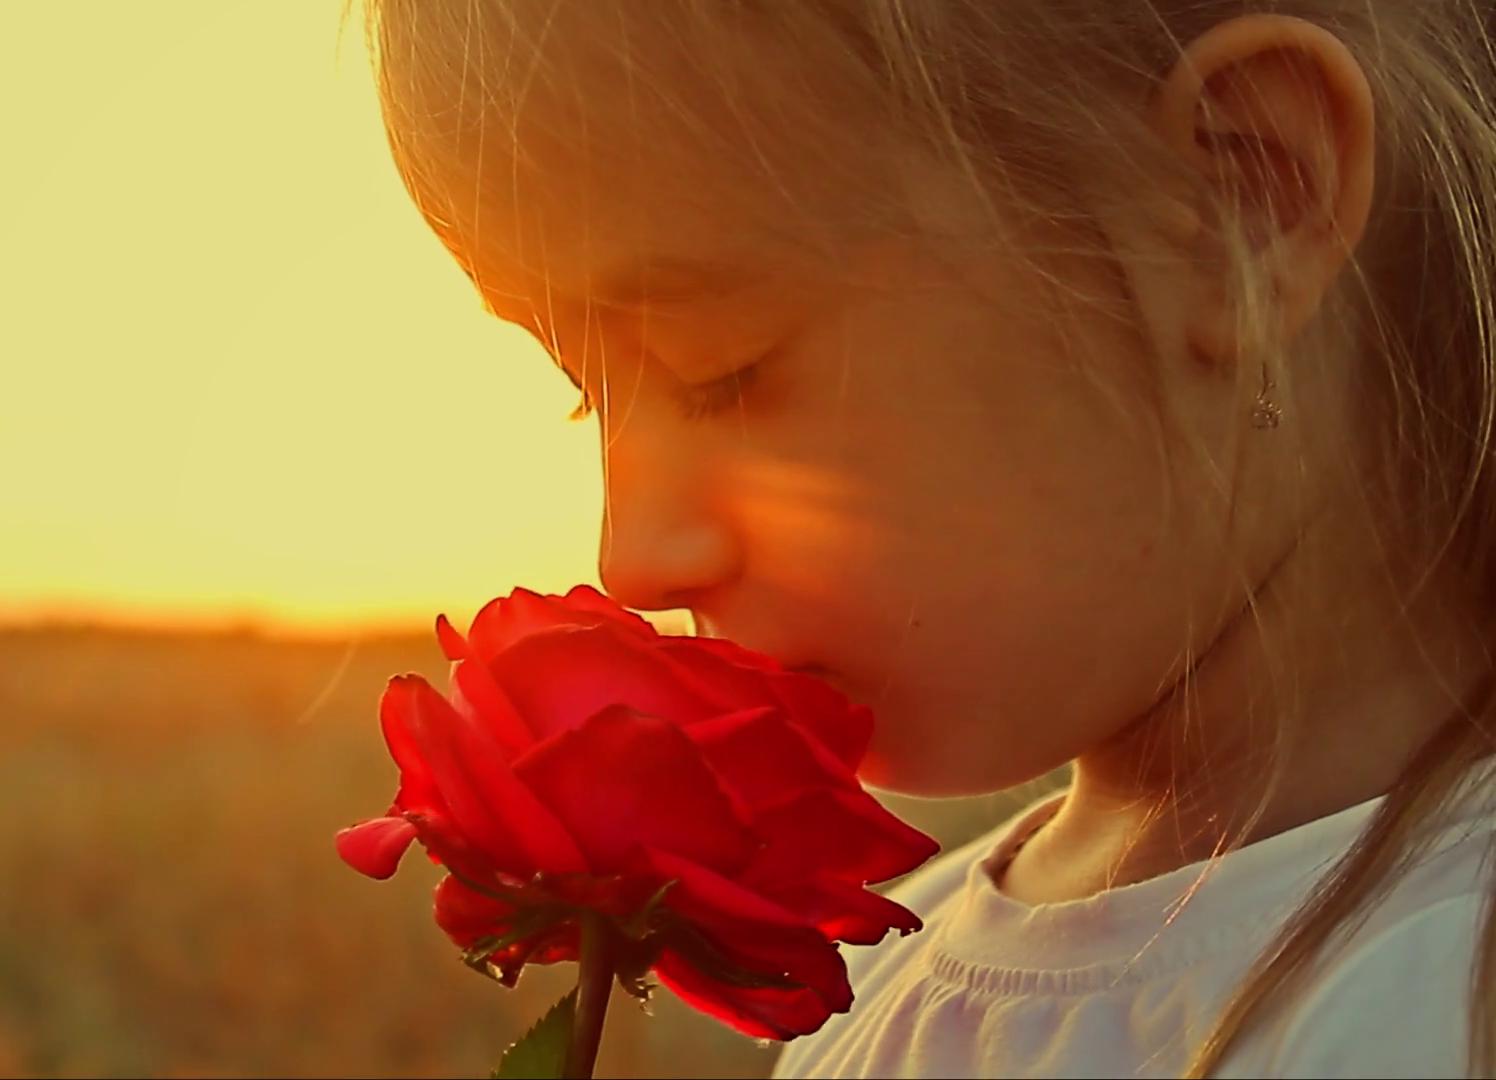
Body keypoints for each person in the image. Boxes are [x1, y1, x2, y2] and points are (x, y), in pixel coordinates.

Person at [354, 1, 1496, 1076]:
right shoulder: (891, 976)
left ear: (1243, 202)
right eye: (581, 388)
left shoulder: (1440, 997)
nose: (634, 559)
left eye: (720, 369)